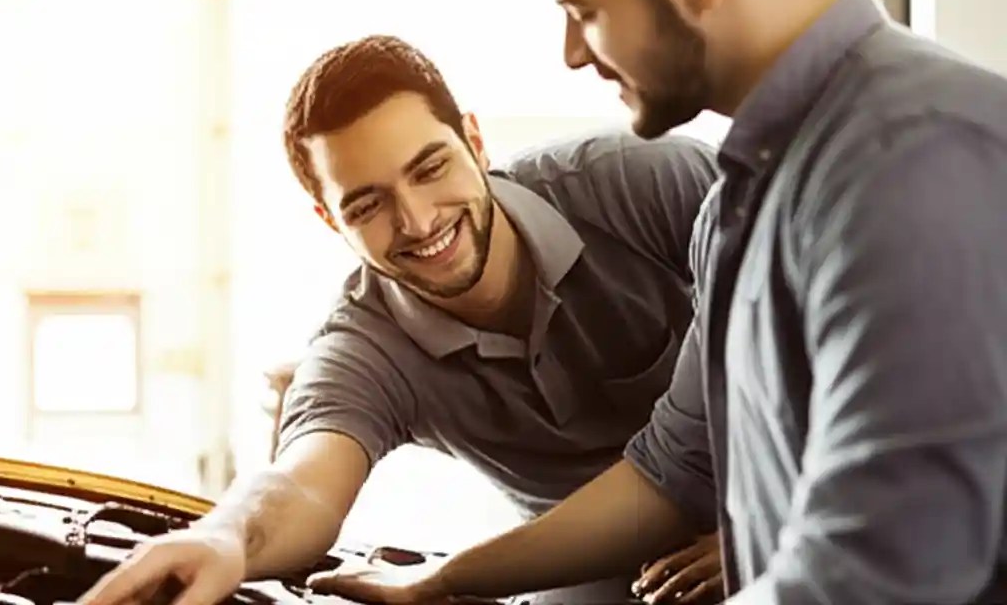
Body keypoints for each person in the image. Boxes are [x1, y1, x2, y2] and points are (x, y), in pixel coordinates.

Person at [299, 0, 1007, 604]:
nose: (575, 53)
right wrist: (446, 579)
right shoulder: (742, 200)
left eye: (586, 13)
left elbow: (887, 564)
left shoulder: (912, 159)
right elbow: (678, 471)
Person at [79, 34, 723, 605]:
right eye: (367, 205)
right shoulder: (360, 350)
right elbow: (300, 485)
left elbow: (818, 302)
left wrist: (776, 514)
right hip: (604, 578)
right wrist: (225, 537)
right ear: (331, 221)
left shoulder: (642, 181)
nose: (417, 221)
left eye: (430, 168)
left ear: (474, 140)